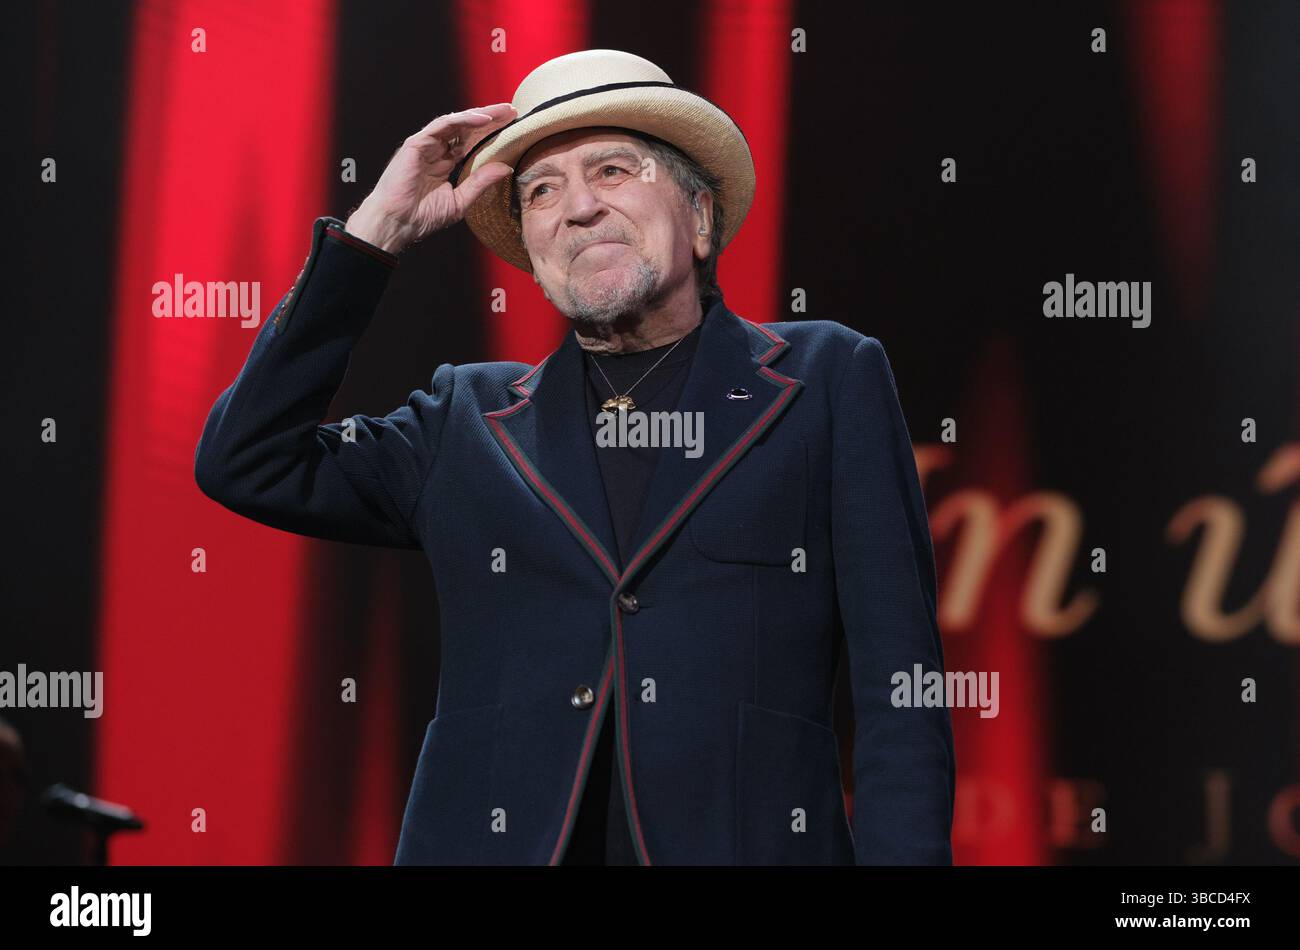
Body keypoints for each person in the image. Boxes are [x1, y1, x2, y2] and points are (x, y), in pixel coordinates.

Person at [195, 48, 955, 865]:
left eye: (614, 170)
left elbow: (900, 694)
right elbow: (246, 459)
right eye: (541, 192)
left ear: (699, 217)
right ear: (530, 249)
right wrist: (375, 232)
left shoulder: (827, 378)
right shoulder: (465, 418)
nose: (579, 208)